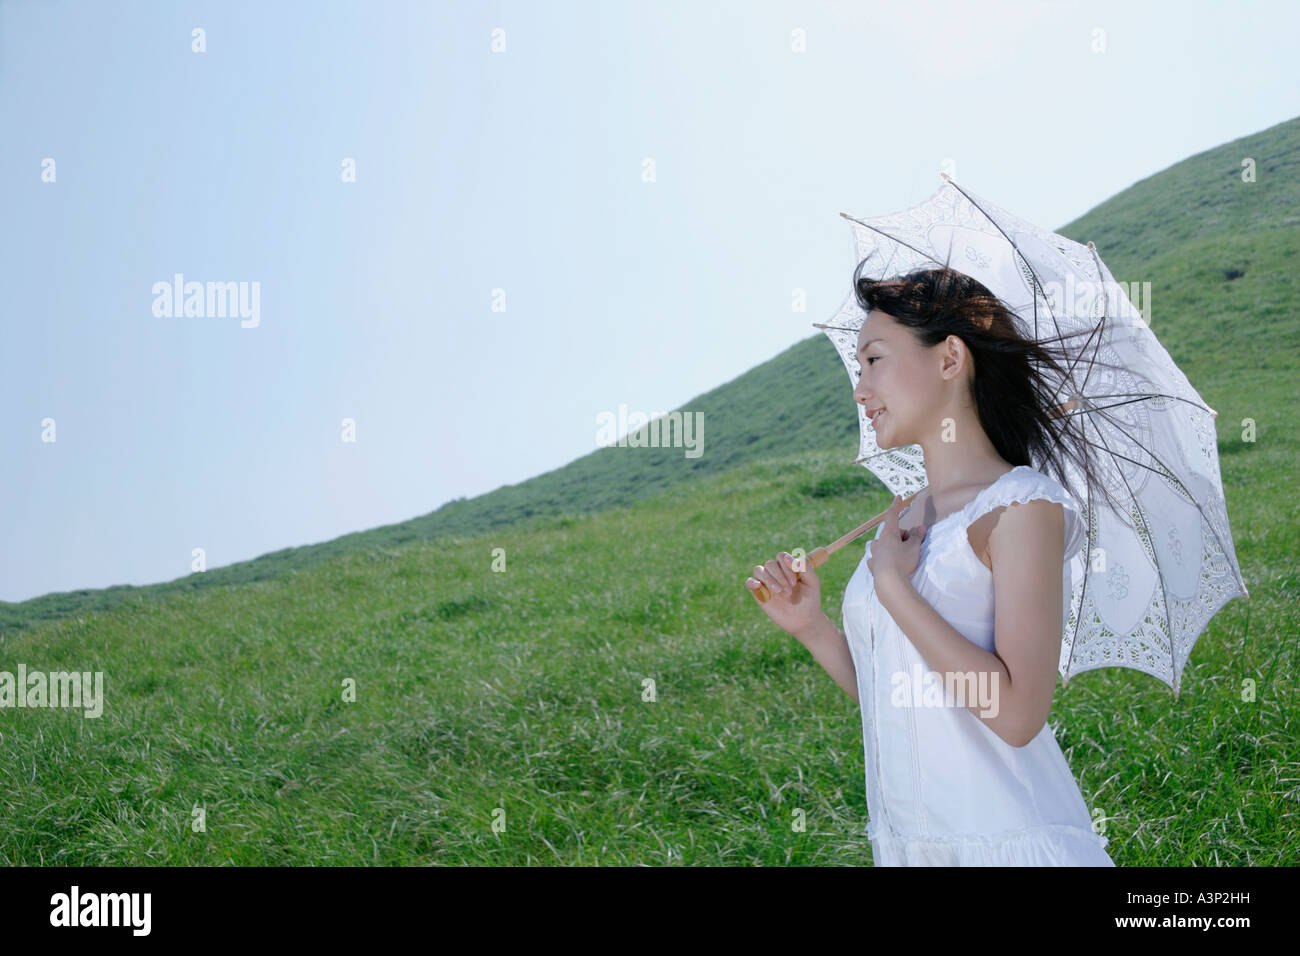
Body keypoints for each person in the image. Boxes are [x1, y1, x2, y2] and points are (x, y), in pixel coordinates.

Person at [746, 265, 1117, 866]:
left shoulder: (1023, 508)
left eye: (874, 360)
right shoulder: (904, 520)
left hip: (1006, 843)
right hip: (912, 848)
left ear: (950, 359)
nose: (860, 390)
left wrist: (894, 585)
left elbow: (1019, 714)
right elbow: (898, 697)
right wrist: (811, 627)